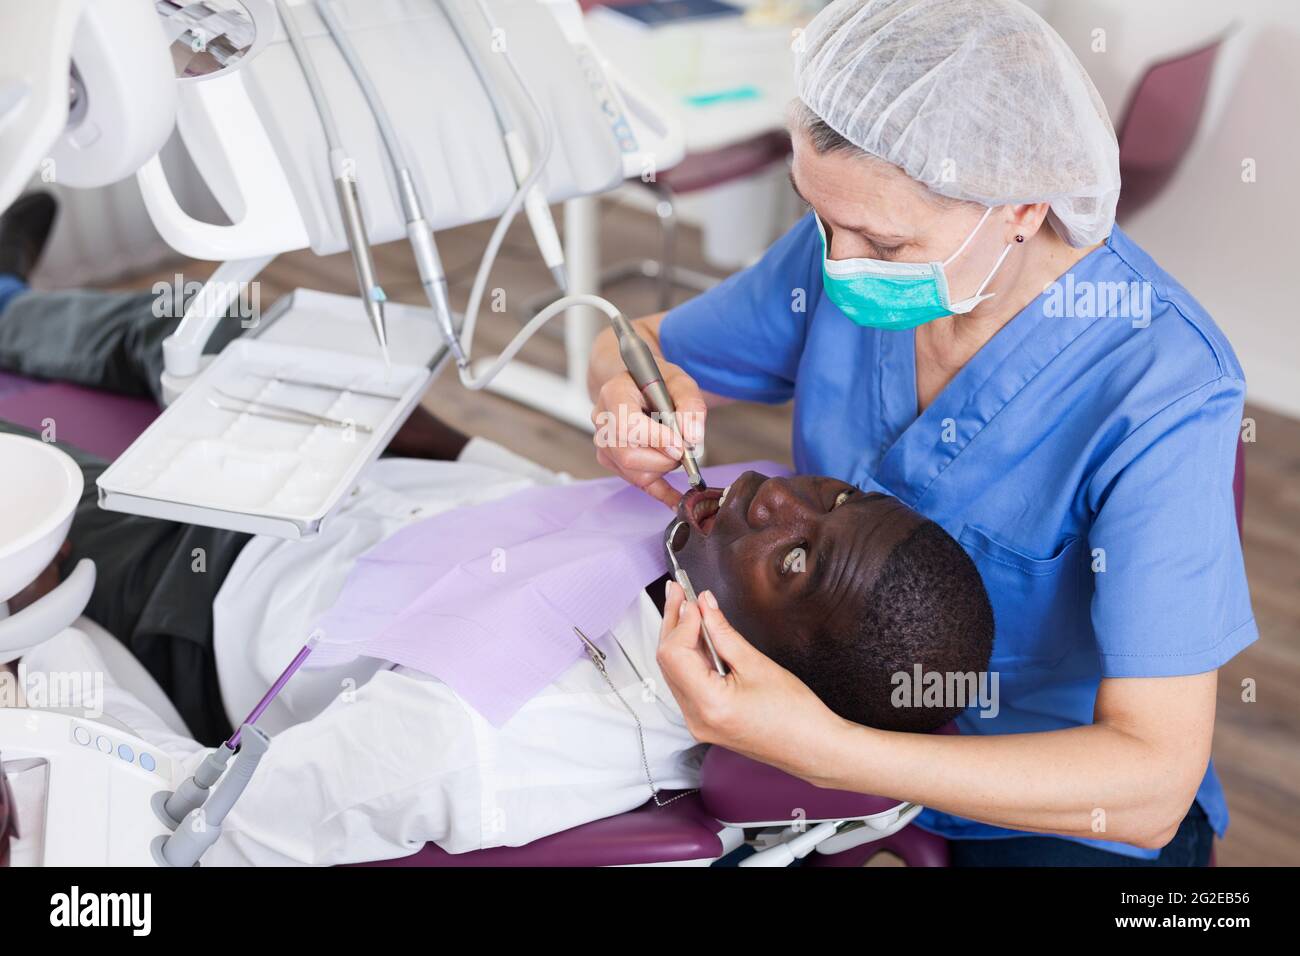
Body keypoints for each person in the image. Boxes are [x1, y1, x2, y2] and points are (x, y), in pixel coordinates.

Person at [0, 194, 994, 864]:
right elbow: (543, 536)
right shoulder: (697, 560)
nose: (783, 498)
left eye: (794, 556)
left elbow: (204, 833)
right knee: (213, 333)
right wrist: (433, 434)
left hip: (206, 586)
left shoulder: (462, 738)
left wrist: (42, 618)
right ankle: (10, 302)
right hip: (363, 500)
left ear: (758, 676)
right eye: (839, 498)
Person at [588, 0, 1253, 866]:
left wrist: (821, 747)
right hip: (821, 735)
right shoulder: (839, 248)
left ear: (1022, 206)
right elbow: (629, 341)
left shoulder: (1160, 388)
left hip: (1046, 795)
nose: (842, 263)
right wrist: (622, 393)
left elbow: (1151, 785)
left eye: (887, 244)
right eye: (823, 219)